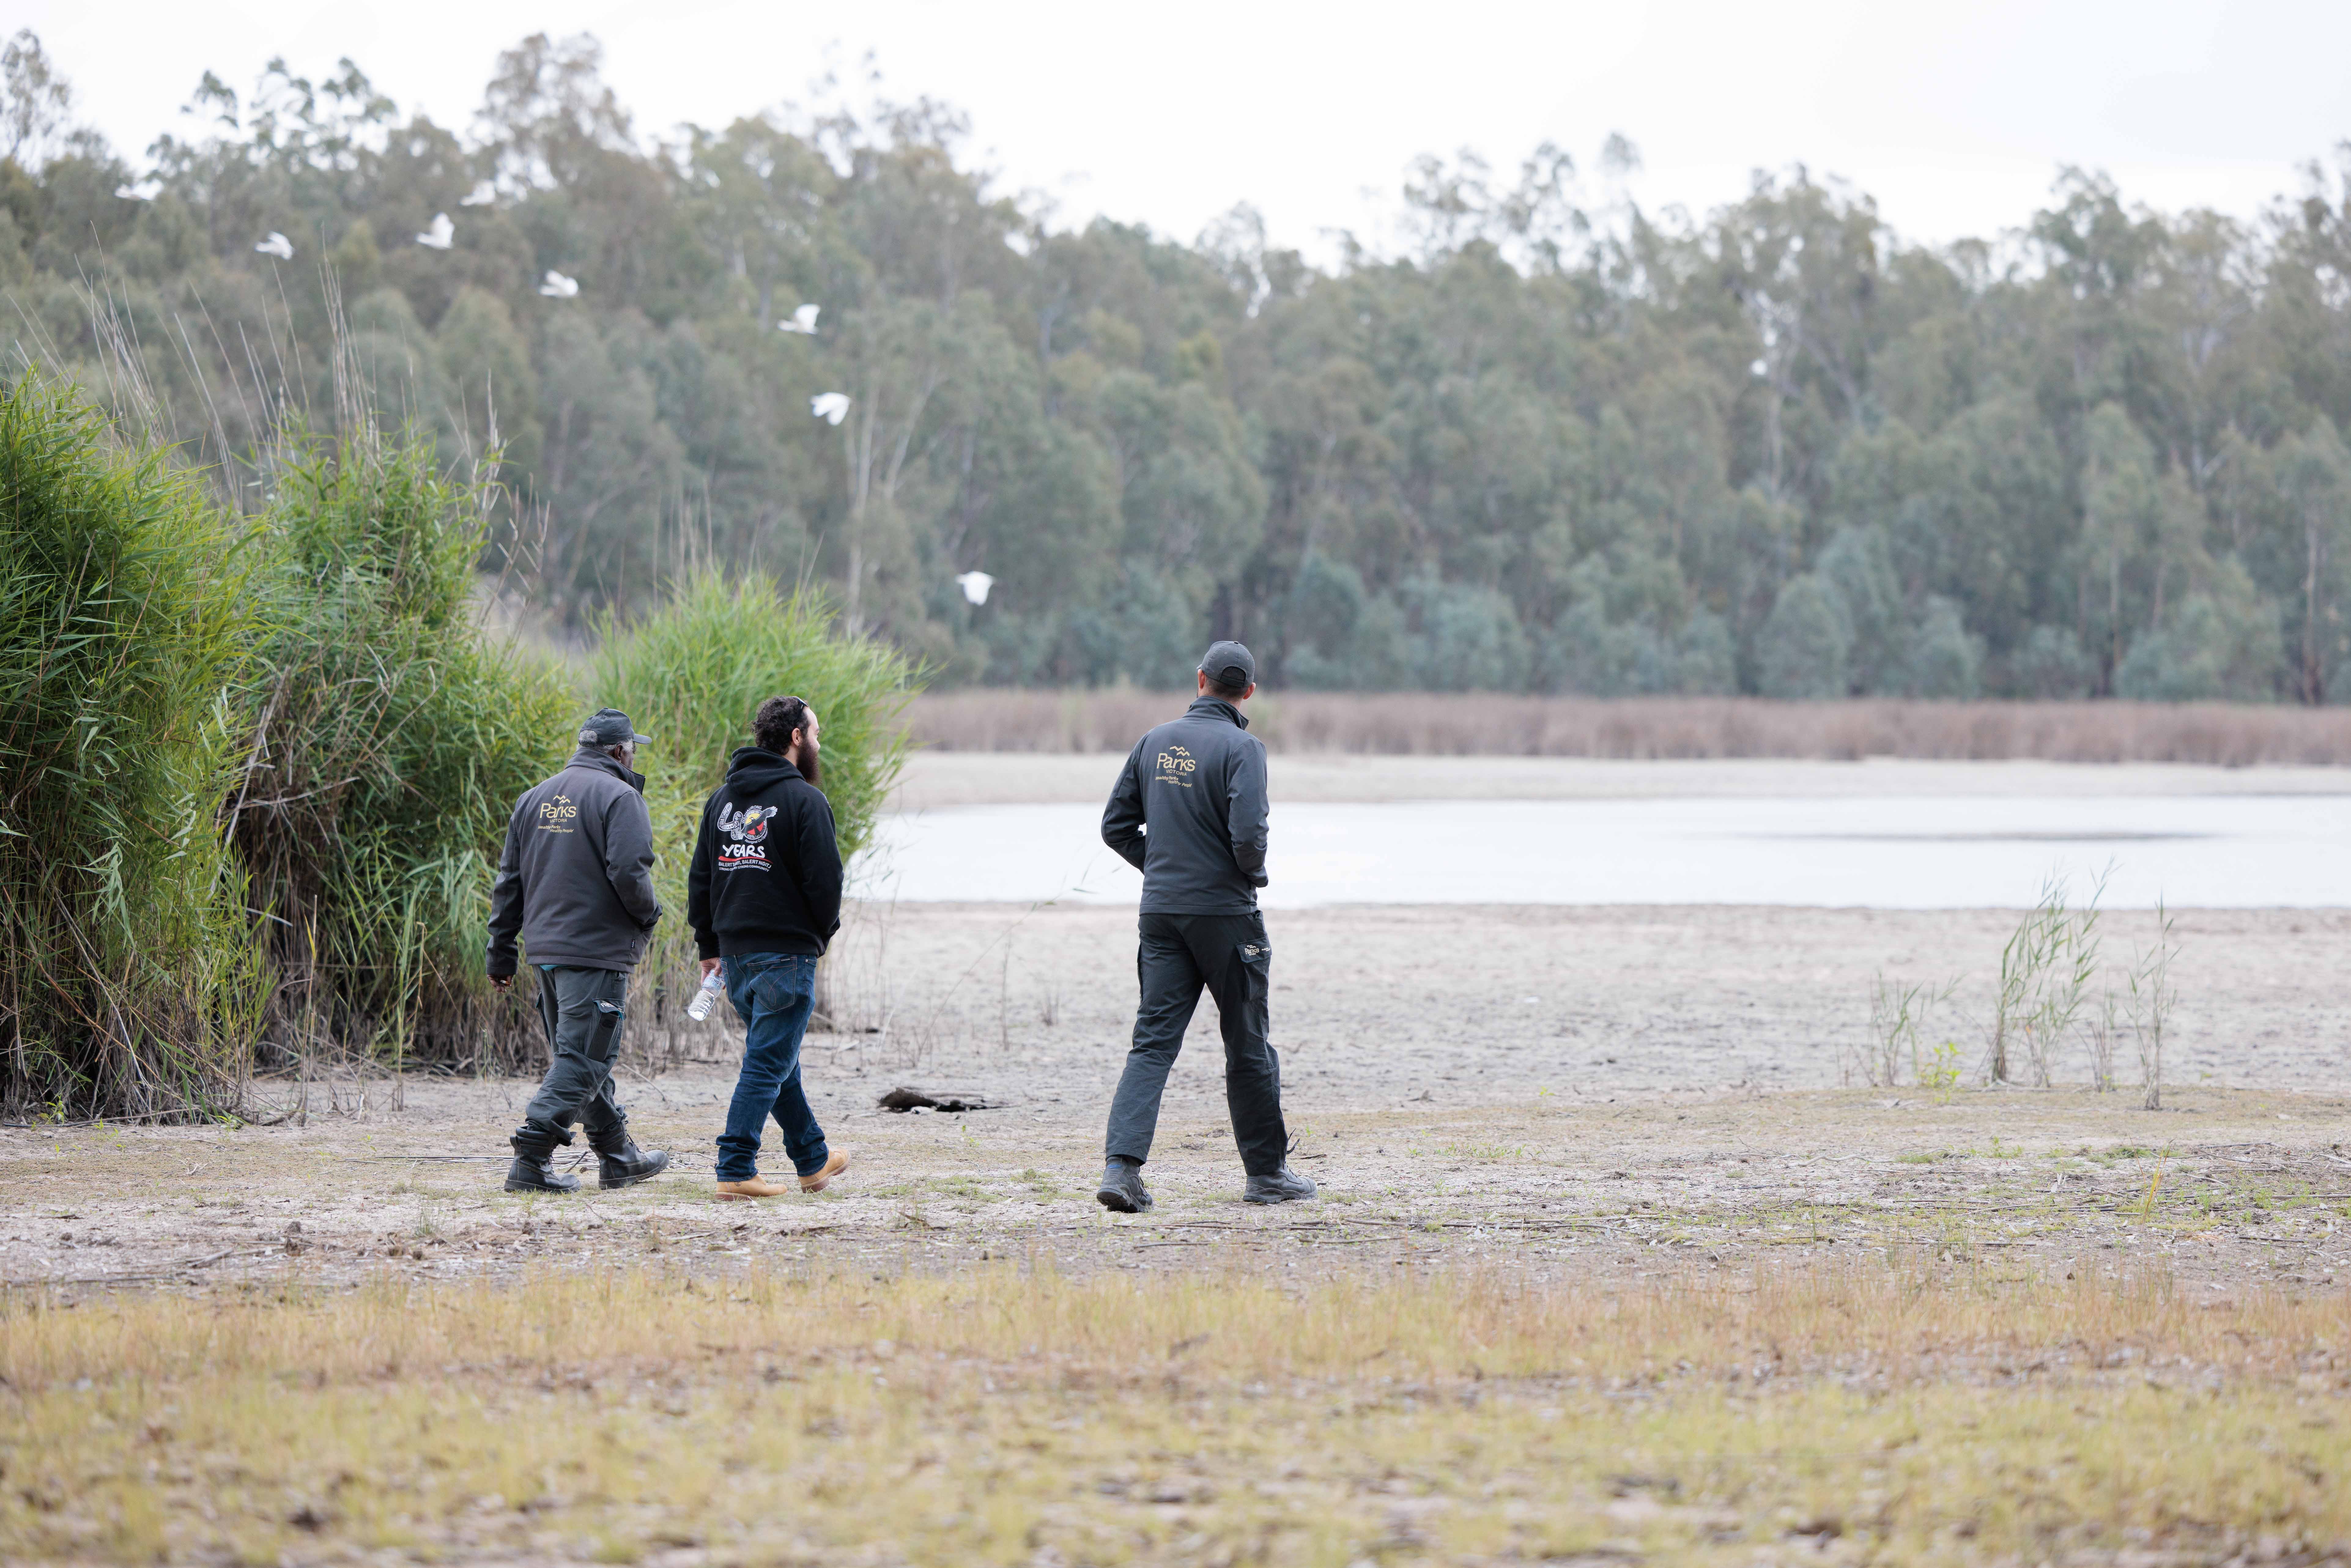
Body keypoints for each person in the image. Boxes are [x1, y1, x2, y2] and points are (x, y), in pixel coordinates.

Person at [1096, 641, 1317, 1212]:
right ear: (1248, 692)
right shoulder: (1245, 747)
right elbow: (1248, 838)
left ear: (1200, 680)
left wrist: (1165, 869)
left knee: (1152, 1044)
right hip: (1226, 917)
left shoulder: (1153, 741)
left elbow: (1116, 826)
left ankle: (1121, 1173)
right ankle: (1267, 1175)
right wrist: (1251, 873)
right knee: (1247, 1044)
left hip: (1161, 914)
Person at [486, 708, 673, 1194]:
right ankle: (532, 1157)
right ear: (618, 751)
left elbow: (509, 885)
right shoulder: (621, 796)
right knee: (586, 1059)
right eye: (632, 750)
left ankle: (618, 1155)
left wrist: (500, 953)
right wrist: (650, 916)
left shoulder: (534, 799)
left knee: (580, 1056)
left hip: (545, 951)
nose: (633, 758)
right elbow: (630, 874)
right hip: (594, 952)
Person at [688, 694, 852, 1200]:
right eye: (817, 733)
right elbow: (827, 884)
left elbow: (701, 879)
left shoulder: (722, 800)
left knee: (776, 1058)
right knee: (766, 1063)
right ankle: (735, 1165)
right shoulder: (806, 800)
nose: (819, 743)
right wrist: (819, 936)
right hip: (786, 954)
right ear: (797, 737)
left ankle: (812, 1158)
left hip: (735, 956)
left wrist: (709, 946)